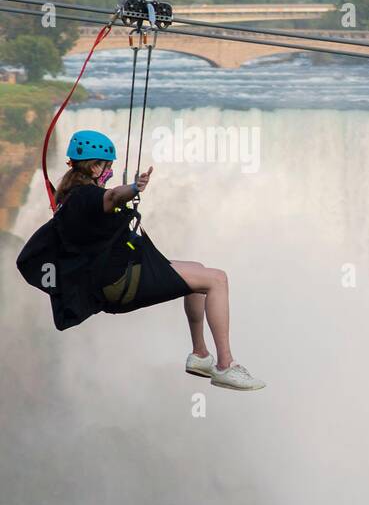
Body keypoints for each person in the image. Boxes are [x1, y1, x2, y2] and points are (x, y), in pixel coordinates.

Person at [15, 129, 266, 391]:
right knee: (217, 279)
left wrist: (127, 192)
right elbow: (112, 196)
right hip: (121, 282)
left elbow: (106, 202)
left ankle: (200, 355)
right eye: (107, 166)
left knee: (199, 272)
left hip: (114, 276)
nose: (109, 172)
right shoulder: (87, 196)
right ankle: (226, 365)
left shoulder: (71, 197)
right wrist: (134, 187)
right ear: (95, 166)